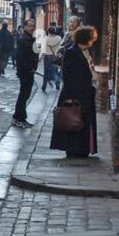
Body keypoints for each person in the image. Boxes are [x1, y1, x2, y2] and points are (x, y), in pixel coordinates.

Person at [50, 25, 99, 158]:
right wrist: (74, 95)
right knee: (73, 121)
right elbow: (69, 75)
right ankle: (74, 149)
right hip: (76, 94)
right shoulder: (72, 52)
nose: (93, 40)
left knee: (82, 122)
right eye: (92, 38)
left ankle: (83, 148)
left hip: (86, 92)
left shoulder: (86, 52)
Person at [13, 17, 38, 128]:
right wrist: (30, 68)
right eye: (30, 26)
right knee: (24, 95)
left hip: (29, 71)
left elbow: (36, 52)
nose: (32, 28)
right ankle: (20, 118)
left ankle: (17, 117)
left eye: (33, 26)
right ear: (25, 27)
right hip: (25, 72)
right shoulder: (23, 40)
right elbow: (21, 57)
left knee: (25, 95)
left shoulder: (32, 39)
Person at [41, 24, 64, 90]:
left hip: (47, 56)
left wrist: (40, 57)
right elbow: (61, 46)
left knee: (46, 72)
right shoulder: (59, 38)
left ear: (48, 31)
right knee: (55, 71)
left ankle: (44, 86)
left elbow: (42, 48)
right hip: (56, 56)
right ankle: (57, 81)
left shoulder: (45, 38)